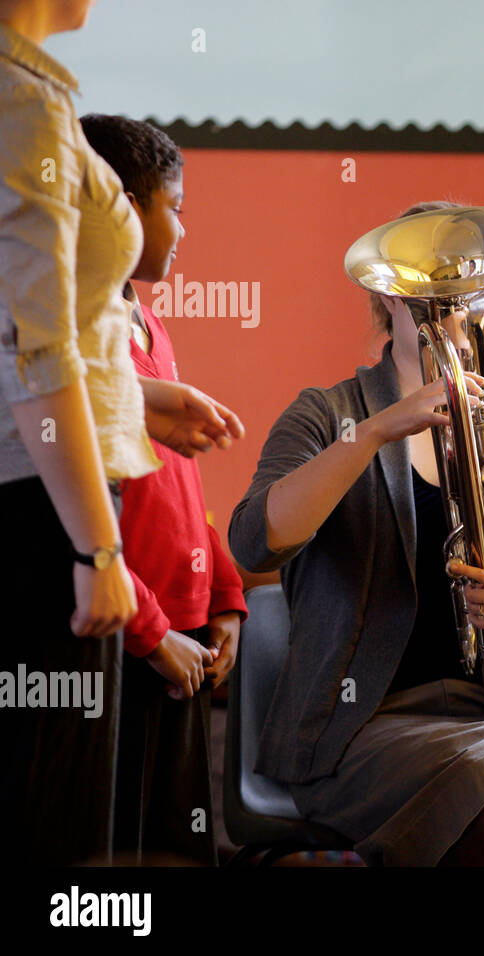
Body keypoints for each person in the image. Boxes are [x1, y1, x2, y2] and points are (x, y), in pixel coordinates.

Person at [229, 201, 484, 866]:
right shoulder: (329, 415)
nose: (457, 311)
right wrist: (379, 429)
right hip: (358, 726)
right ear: (388, 300)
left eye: (473, 292)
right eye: (436, 294)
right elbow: (254, 541)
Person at [0, 0, 241, 865]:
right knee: (58, 832)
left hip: (50, 500)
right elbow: (36, 348)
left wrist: (137, 404)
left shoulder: (32, 93)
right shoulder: (19, 104)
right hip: (41, 512)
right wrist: (101, 556)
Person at [80, 113, 248, 865]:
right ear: (121, 205)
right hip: (131, 642)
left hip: (187, 633)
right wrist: (151, 635)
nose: (183, 229)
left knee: (179, 849)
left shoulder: (149, 325)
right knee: (114, 854)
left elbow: (183, 488)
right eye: (173, 206)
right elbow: (87, 513)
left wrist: (228, 598)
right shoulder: (83, 336)